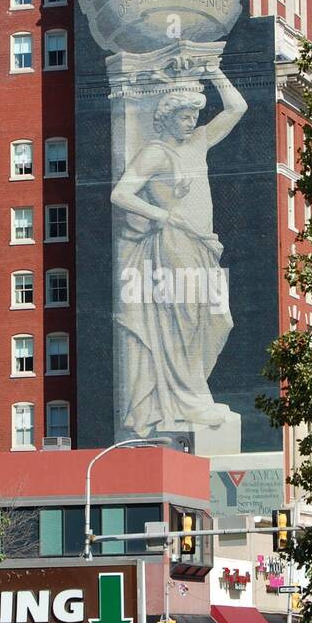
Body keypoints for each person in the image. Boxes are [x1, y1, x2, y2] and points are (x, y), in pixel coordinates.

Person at [111, 60, 248, 438]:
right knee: (186, 321)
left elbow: (238, 108)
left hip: (204, 245)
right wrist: (163, 215)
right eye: (185, 116)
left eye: (193, 116)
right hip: (174, 244)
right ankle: (191, 400)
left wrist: (215, 72)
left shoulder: (199, 142)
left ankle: (193, 394)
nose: (191, 122)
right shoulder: (155, 153)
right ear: (168, 118)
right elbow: (120, 194)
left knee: (217, 319)